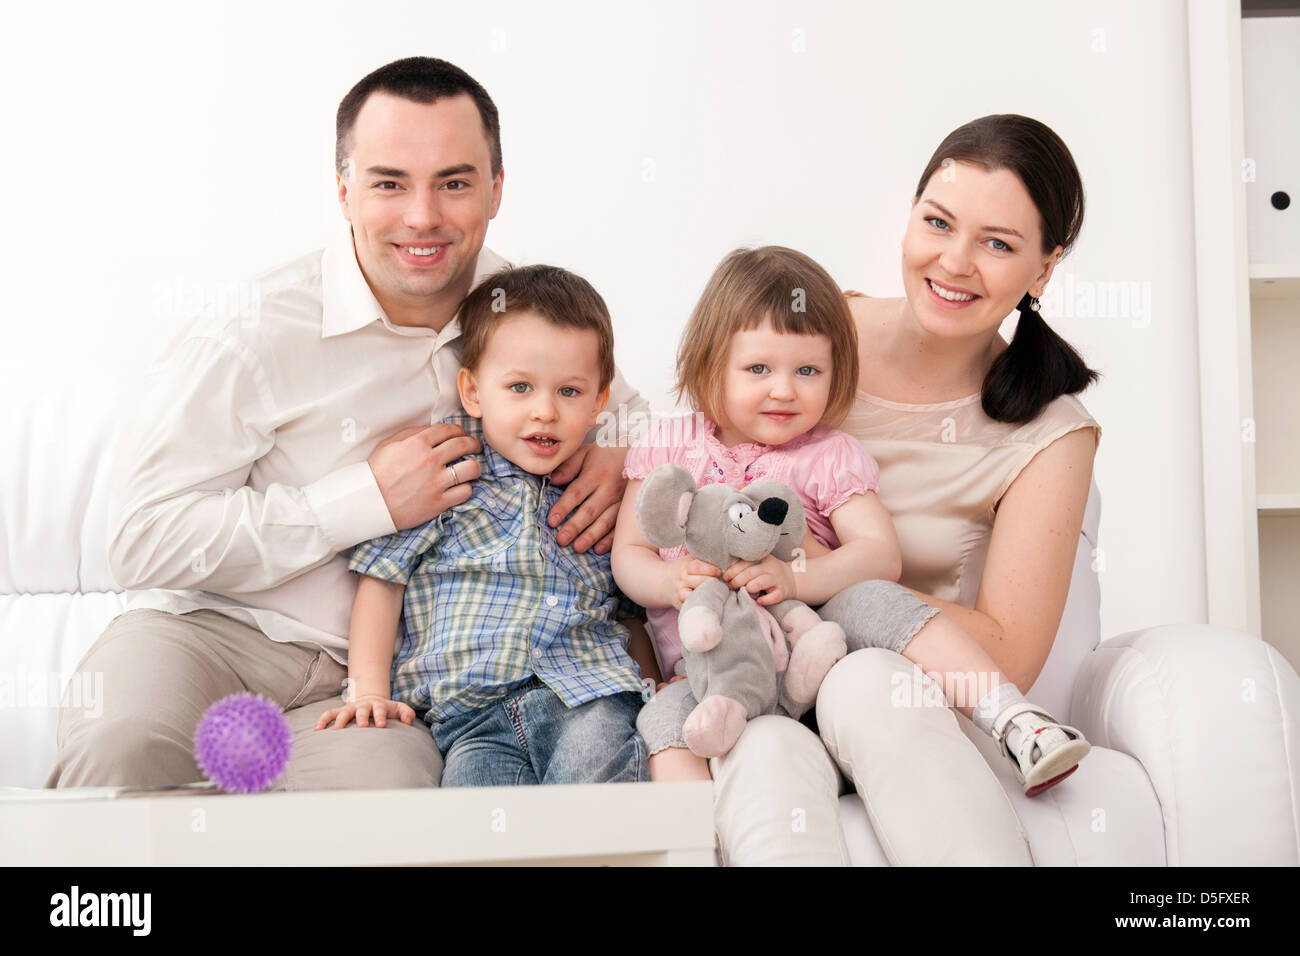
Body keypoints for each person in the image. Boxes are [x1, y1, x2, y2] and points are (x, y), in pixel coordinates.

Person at [45, 56, 648, 790]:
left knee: (392, 806)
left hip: (376, 681)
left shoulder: (521, 311)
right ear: (344, 191)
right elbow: (141, 536)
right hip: (208, 633)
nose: (423, 217)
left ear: (496, 190)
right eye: (390, 183)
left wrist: (620, 449)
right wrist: (363, 499)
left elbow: (632, 411)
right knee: (123, 748)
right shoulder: (251, 331)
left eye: (454, 183)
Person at [705, 114, 1103, 865]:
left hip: (927, 708)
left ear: (1043, 271)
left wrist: (823, 575)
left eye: (998, 244)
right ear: (909, 220)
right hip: (769, 668)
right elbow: (699, 444)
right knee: (760, 753)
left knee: (867, 683)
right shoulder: (813, 339)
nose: (954, 262)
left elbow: (1010, 652)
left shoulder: (1052, 431)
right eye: (938, 223)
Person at [611, 245, 1089, 798]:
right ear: (710, 363)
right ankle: (697, 843)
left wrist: (797, 580)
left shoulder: (826, 454)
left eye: (808, 369)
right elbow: (629, 553)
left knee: (878, 599)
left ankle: (1014, 721)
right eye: (759, 368)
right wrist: (668, 583)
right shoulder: (669, 447)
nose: (784, 389)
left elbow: (879, 554)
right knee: (661, 728)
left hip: (814, 660)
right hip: (706, 675)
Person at [314, 265, 650, 786]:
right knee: (477, 828)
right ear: (471, 391)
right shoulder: (444, 473)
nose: (545, 411)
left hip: (588, 694)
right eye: (519, 387)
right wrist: (366, 691)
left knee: (595, 800)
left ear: (599, 400)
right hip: (470, 718)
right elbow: (382, 582)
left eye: (569, 391)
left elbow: (629, 614)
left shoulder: (599, 492)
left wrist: (653, 686)